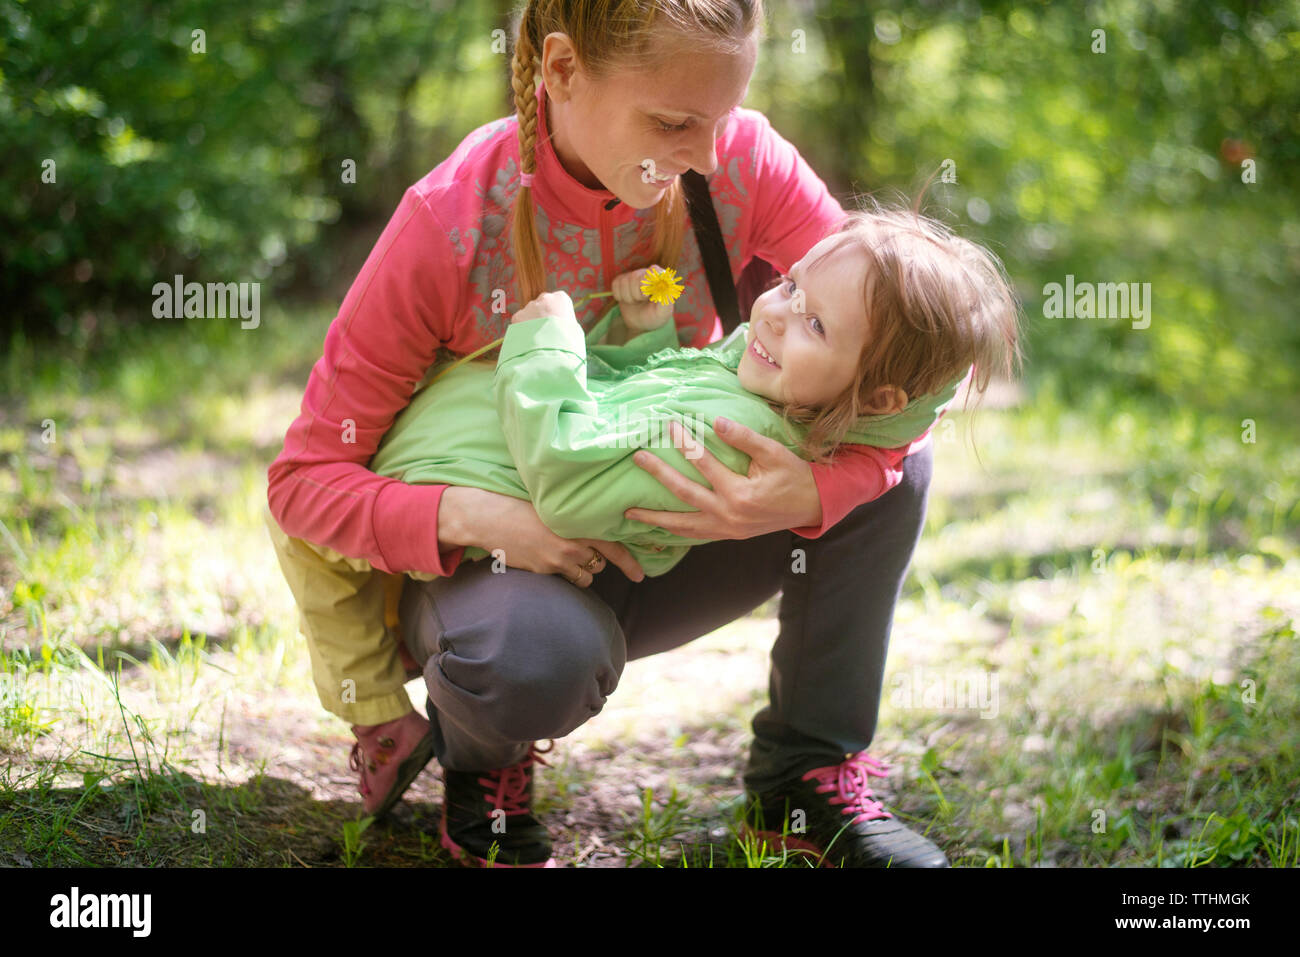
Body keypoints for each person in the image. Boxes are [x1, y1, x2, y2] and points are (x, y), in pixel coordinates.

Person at [265, 0, 1018, 867]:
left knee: (892, 472)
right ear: (560, 71)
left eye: (722, 118)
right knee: (529, 656)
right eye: (672, 122)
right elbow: (302, 484)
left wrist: (814, 491)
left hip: (666, 519)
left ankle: (803, 781)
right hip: (503, 567)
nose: (705, 156)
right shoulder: (450, 220)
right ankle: (488, 764)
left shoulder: (743, 162)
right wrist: (484, 520)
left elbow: (915, 365)